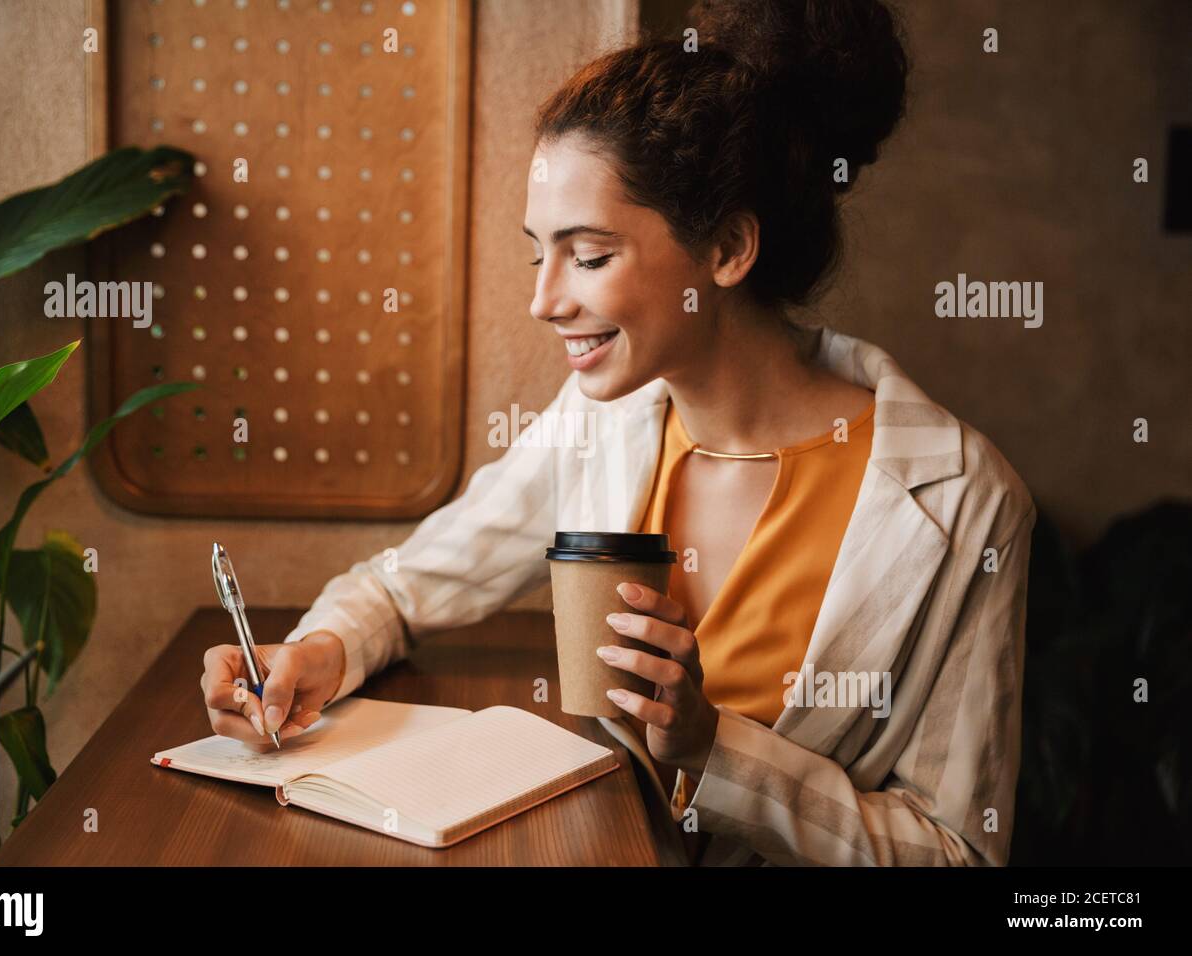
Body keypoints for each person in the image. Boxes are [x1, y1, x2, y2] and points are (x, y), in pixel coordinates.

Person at [199, 0, 1034, 866]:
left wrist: (717, 754)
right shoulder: (600, 420)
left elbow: (959, 853)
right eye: (539, 254)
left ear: (727, 249)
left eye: (589, 257)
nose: (544, 299)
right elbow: (405, 587)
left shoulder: (966, 501)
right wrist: (310, 658)